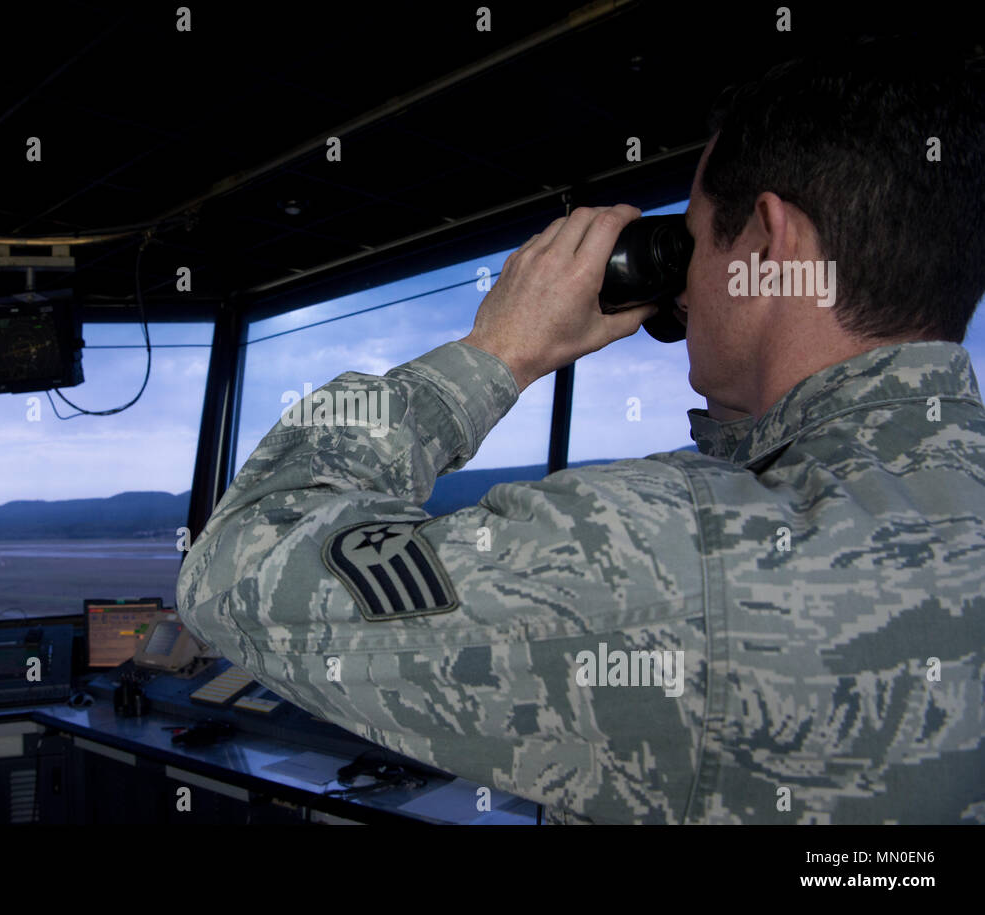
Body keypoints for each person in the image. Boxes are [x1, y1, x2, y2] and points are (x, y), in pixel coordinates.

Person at [176, 39, 985, 823]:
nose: (685, 291)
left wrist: (496, 353)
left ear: (770, 247)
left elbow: (235, 563)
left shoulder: (672, 556)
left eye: (695, 244)